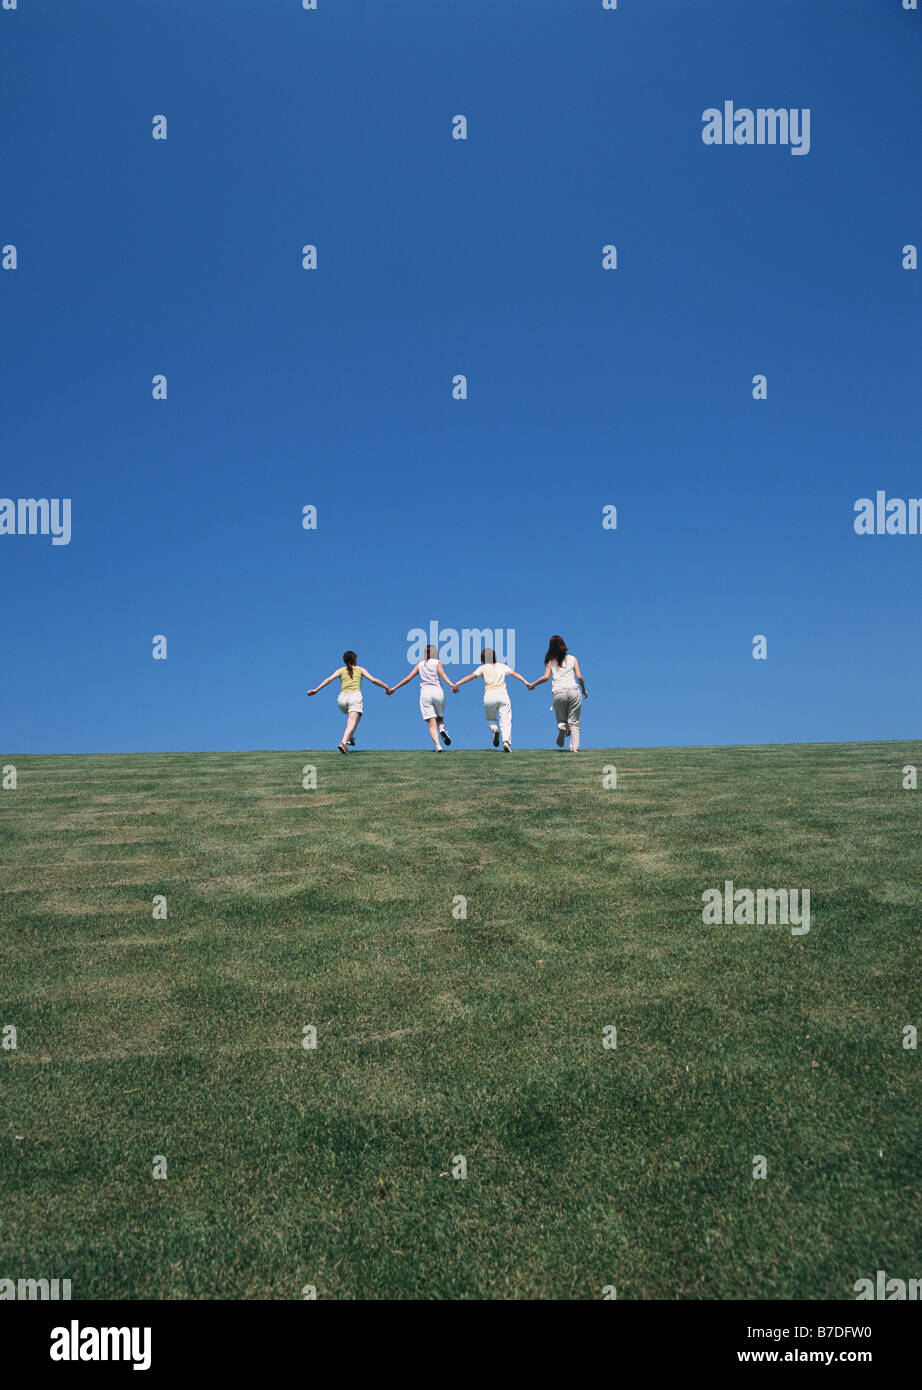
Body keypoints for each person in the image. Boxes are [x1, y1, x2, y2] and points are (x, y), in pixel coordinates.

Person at [306, 650, 389, 753]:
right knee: (352, 721)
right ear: (355, 659)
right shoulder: (360, 669)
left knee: (356, 718)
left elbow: (329, 679)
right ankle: (343, 743)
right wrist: (386, 687)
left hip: (342, 700)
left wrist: (316, 690)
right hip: (354, 697)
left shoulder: (341, 670)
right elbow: (373, 680)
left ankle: (350, 737)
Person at [451, 647, 529, 751]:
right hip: (503, 695)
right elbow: (515, 674)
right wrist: (526, 682)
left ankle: (494, 728)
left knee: (490, 719)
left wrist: (457, 684)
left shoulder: (482, 668)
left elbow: (471, 676)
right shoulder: (502, 666)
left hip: (489, 696)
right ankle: (506, 742)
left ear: (483, 658)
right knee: (506, 720)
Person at [527, 635, 588, 751]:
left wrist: (533, 685)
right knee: (574, 723)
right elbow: (579, 677)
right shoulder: (573, 658)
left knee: (561, 720)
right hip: (574, 691)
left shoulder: (550, 661)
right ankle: (574, 749)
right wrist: (584, 689)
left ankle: (563, 727)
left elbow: (546, 677)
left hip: (559, 692)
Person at [387, 645, 454, 750]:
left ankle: (438, 746)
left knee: (432, 724)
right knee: (440, 718)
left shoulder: (420, 664)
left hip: (425, 694)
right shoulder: (437, 662)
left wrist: (395, 688)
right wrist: (451, 684)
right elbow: (442, 674)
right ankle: (442, 729)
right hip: (438, 692)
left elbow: (408, 678)